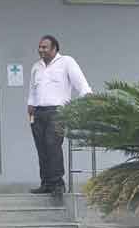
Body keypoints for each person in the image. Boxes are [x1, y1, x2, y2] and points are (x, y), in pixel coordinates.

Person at [26, 35, 92, 195]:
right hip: (38, 112)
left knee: (52, 145)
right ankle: (46, 183)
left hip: (58, 112)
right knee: (42, 148)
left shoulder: (66, 62)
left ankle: (57, 184)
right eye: (40, 47)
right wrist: (30, 104)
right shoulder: (36, 67)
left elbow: (81, 83)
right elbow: (32, 89)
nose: (41, 50)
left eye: (44, 47)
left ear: (54, 48)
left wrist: (88, 99)